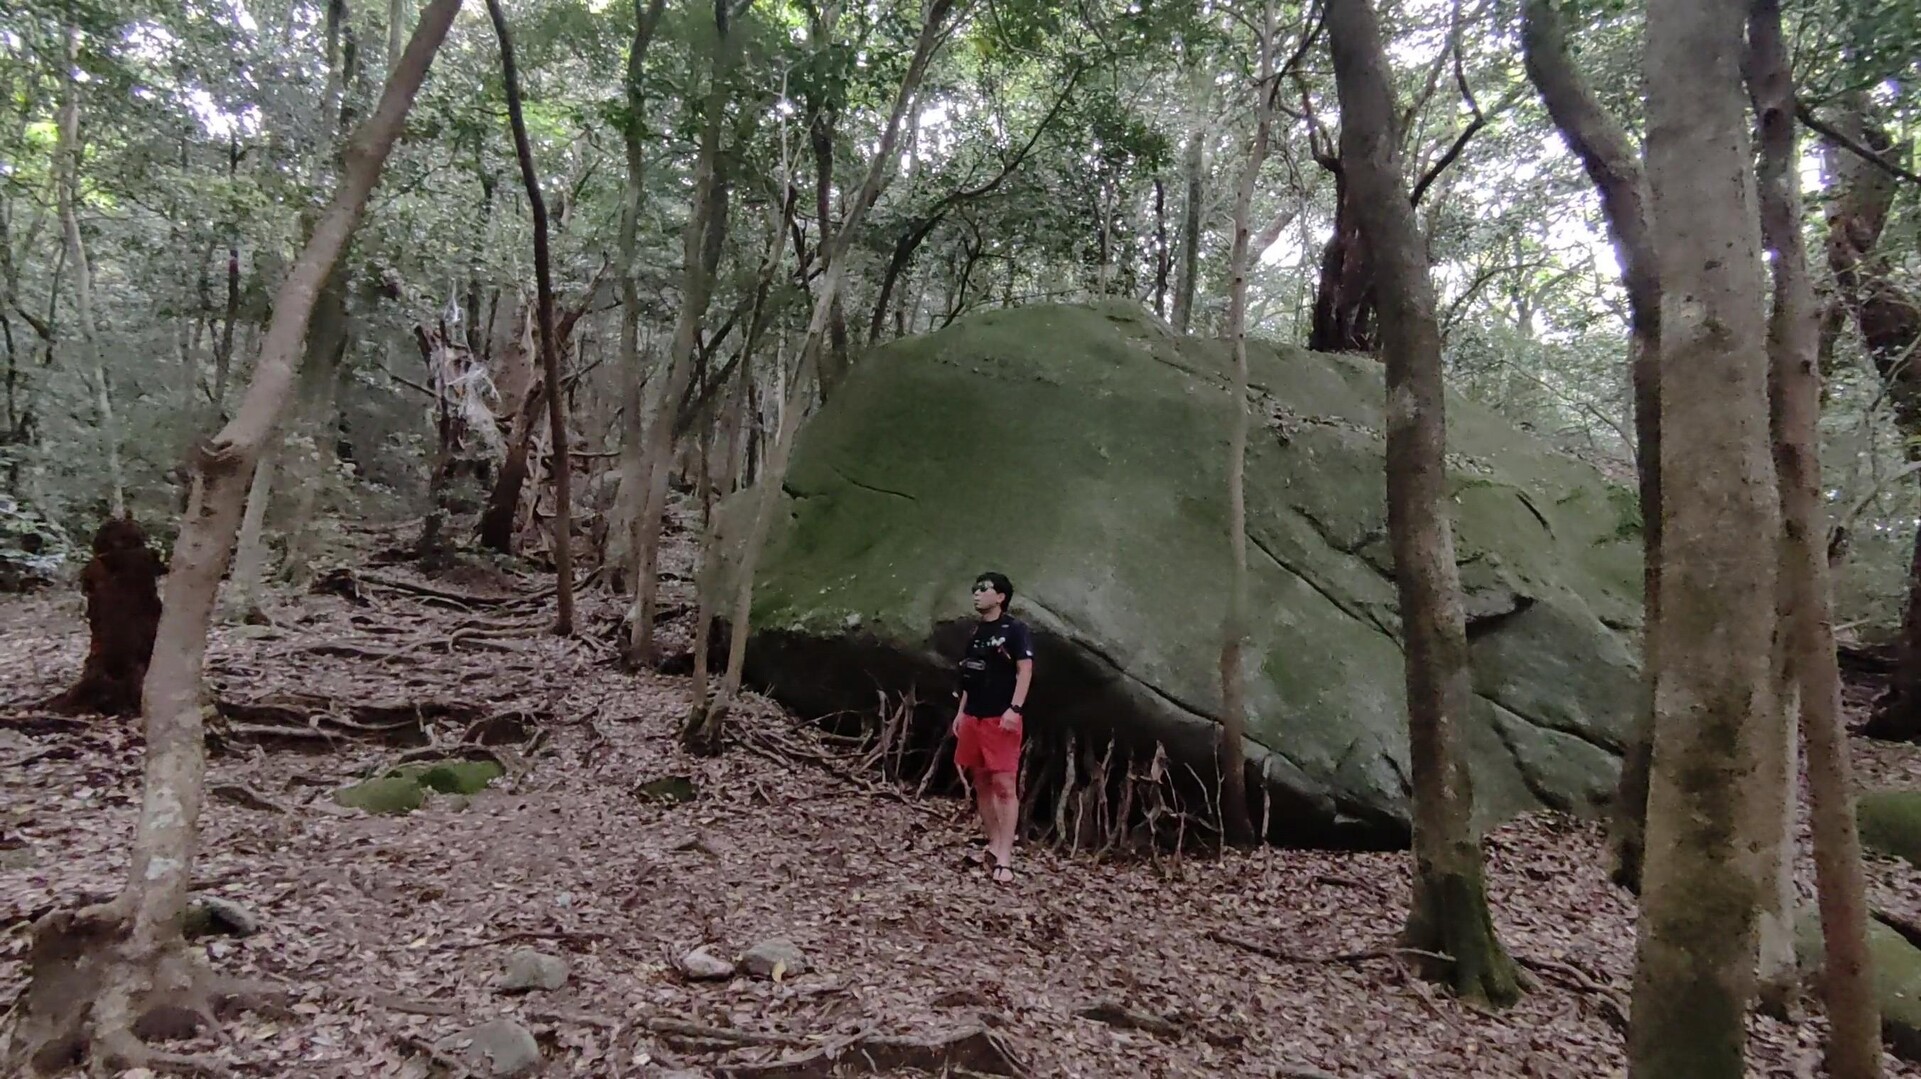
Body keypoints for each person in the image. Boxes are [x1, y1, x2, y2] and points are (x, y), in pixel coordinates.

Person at [951, 571, 1034, 883]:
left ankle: (1006, 856)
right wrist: (961, 712)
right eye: (975, 588)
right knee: (981, 781)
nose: (977, 594)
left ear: (1000, 597)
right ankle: (994, 843)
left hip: (1002, 717)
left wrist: (1015, 708)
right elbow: (969, 676)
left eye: (984, 589)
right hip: (974, 715)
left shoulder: (1015, 630)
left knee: (1004, 784)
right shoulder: (975, 633)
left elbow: (1025, 670)